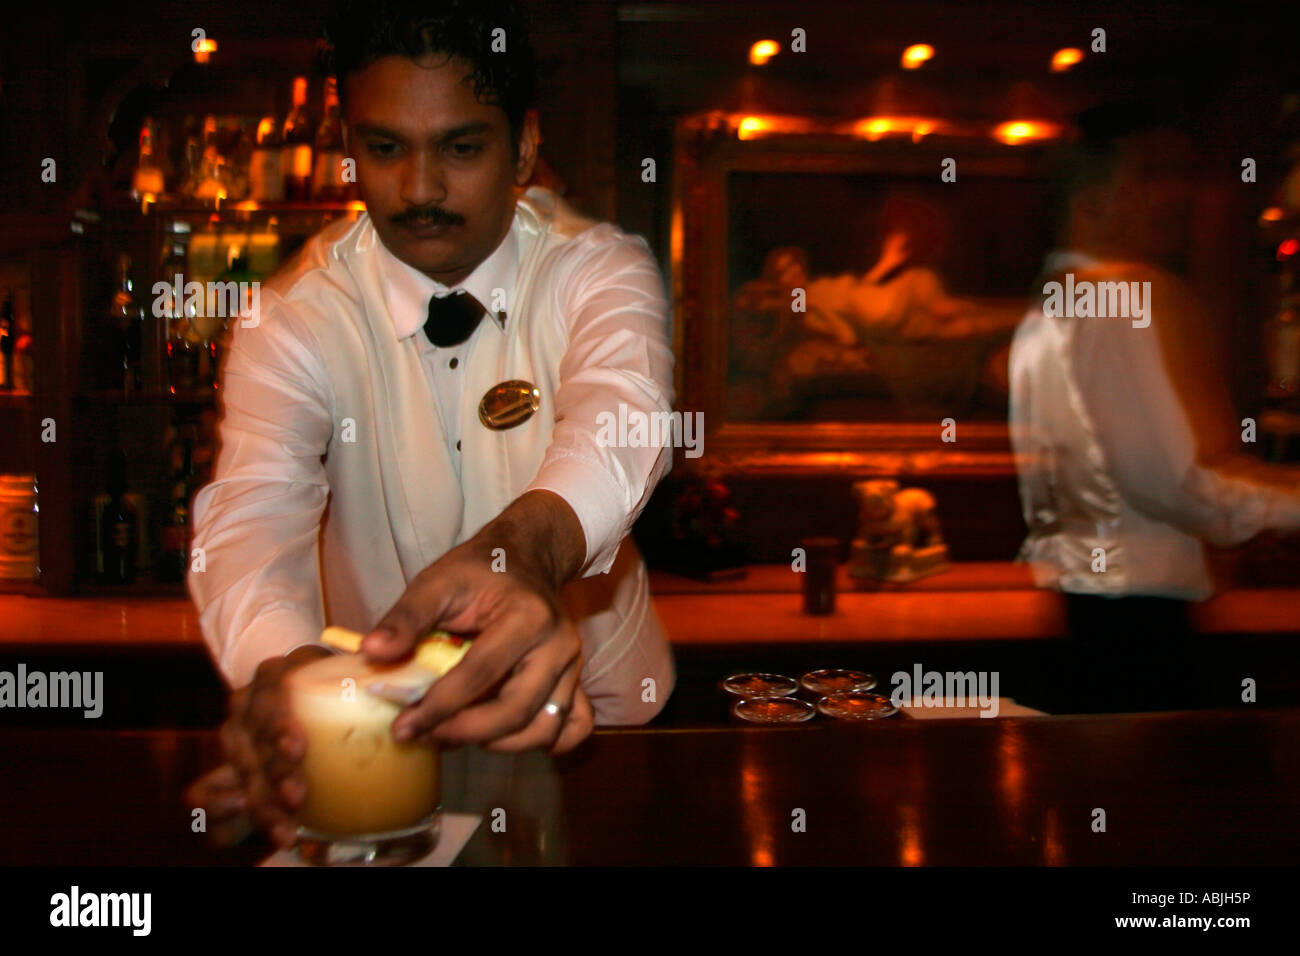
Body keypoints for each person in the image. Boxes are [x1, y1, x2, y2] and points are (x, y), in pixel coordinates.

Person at [186, 0, 676, 850]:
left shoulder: (596, 269)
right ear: (348, 150)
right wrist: (281, 671)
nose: (418, 190)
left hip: (594, 728)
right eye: (385, 149)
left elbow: (624, 414)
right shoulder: (292, 319)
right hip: (380, 740)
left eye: (461, 148)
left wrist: (527, 549)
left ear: (522, 147)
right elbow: (251, 512)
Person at [1008, 102, 1300, 713]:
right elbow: (1168, 482)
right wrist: (1287, 504)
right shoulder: (1114, 301)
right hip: (1137, 618)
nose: (1165, 198)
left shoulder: (1060, 299)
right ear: (1091, 203)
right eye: (1140, 182)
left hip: (1095, 603)